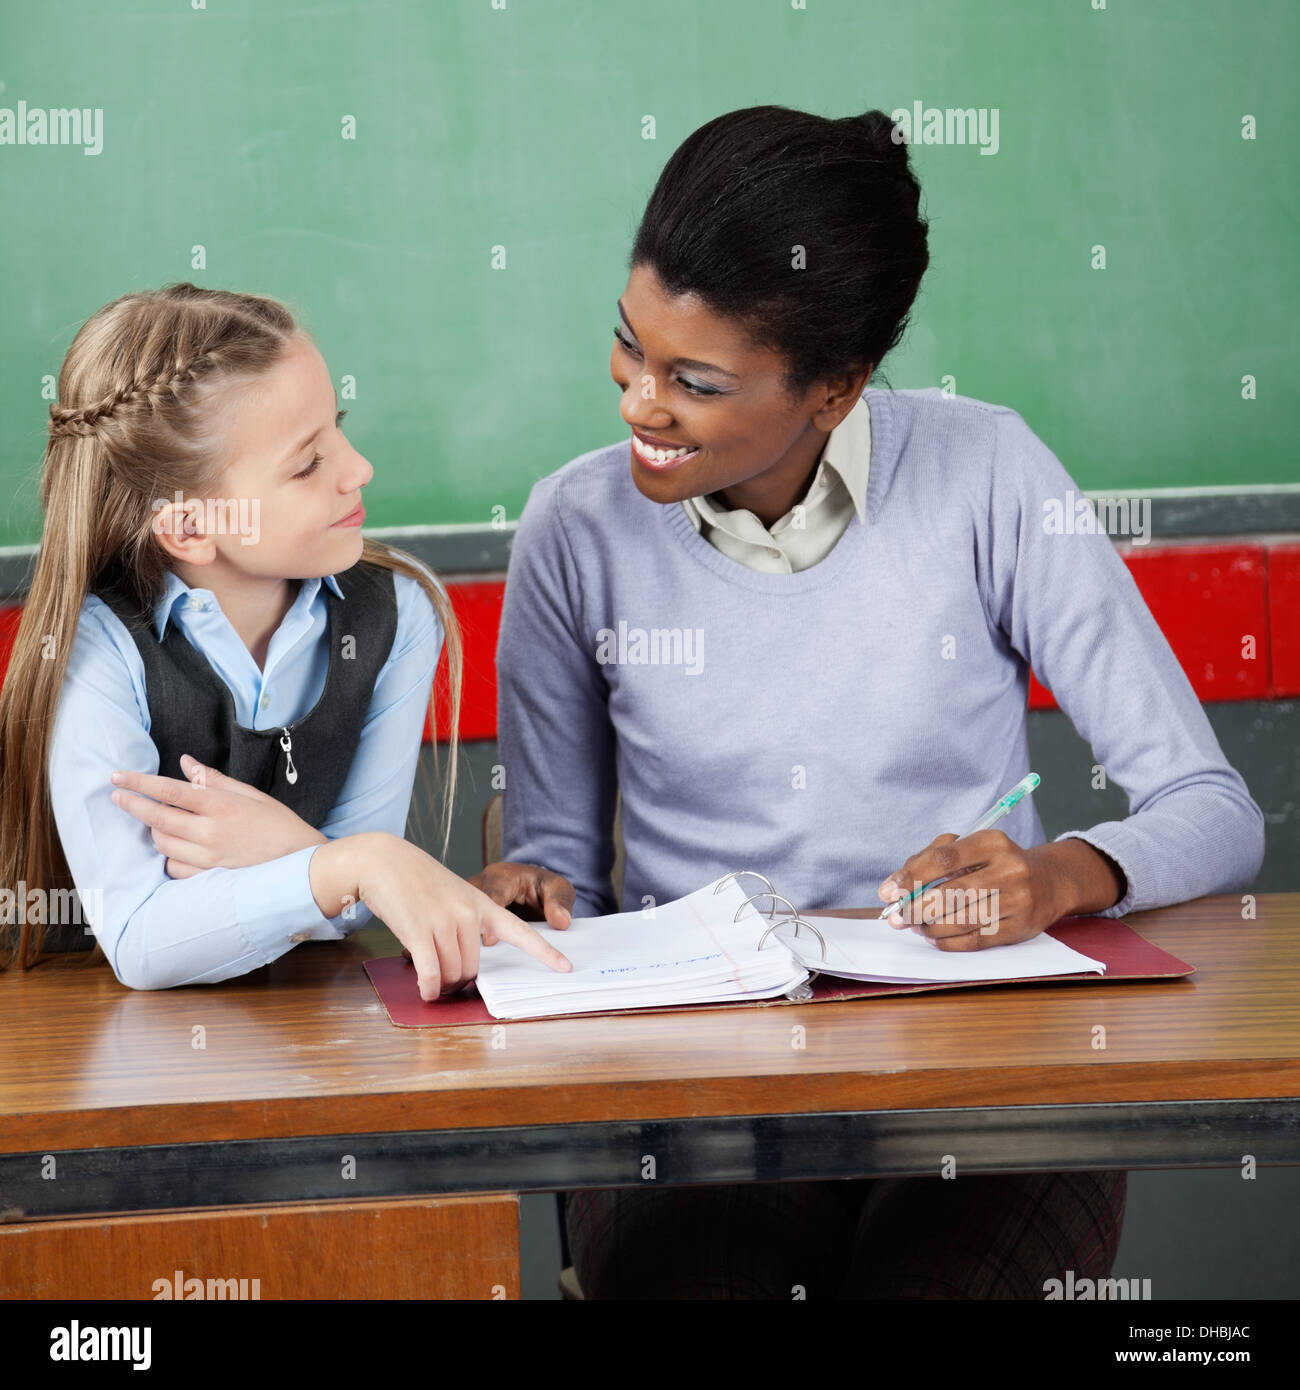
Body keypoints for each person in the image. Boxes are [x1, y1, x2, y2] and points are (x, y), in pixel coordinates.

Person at [495, 105, 1266, 1298]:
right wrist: (535, 893)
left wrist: (1060, 872)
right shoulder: (572, 528)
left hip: (989, 1073)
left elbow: (1210, 805)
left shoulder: (992, 472)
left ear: (836, 388)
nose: (638, 404)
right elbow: (557, 861)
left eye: (693, 381)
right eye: (627, 347)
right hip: (700, 1086)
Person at [0, 283, 574, 998]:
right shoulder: (98, 648)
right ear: (188, 529)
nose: (358, 469)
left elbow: (361, 904)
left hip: (304, 1030)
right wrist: (344, 864)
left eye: (338, 426)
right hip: (93, 1047)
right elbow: (143, 941)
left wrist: (337, 863)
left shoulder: (397, 614)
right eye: (307, 464)